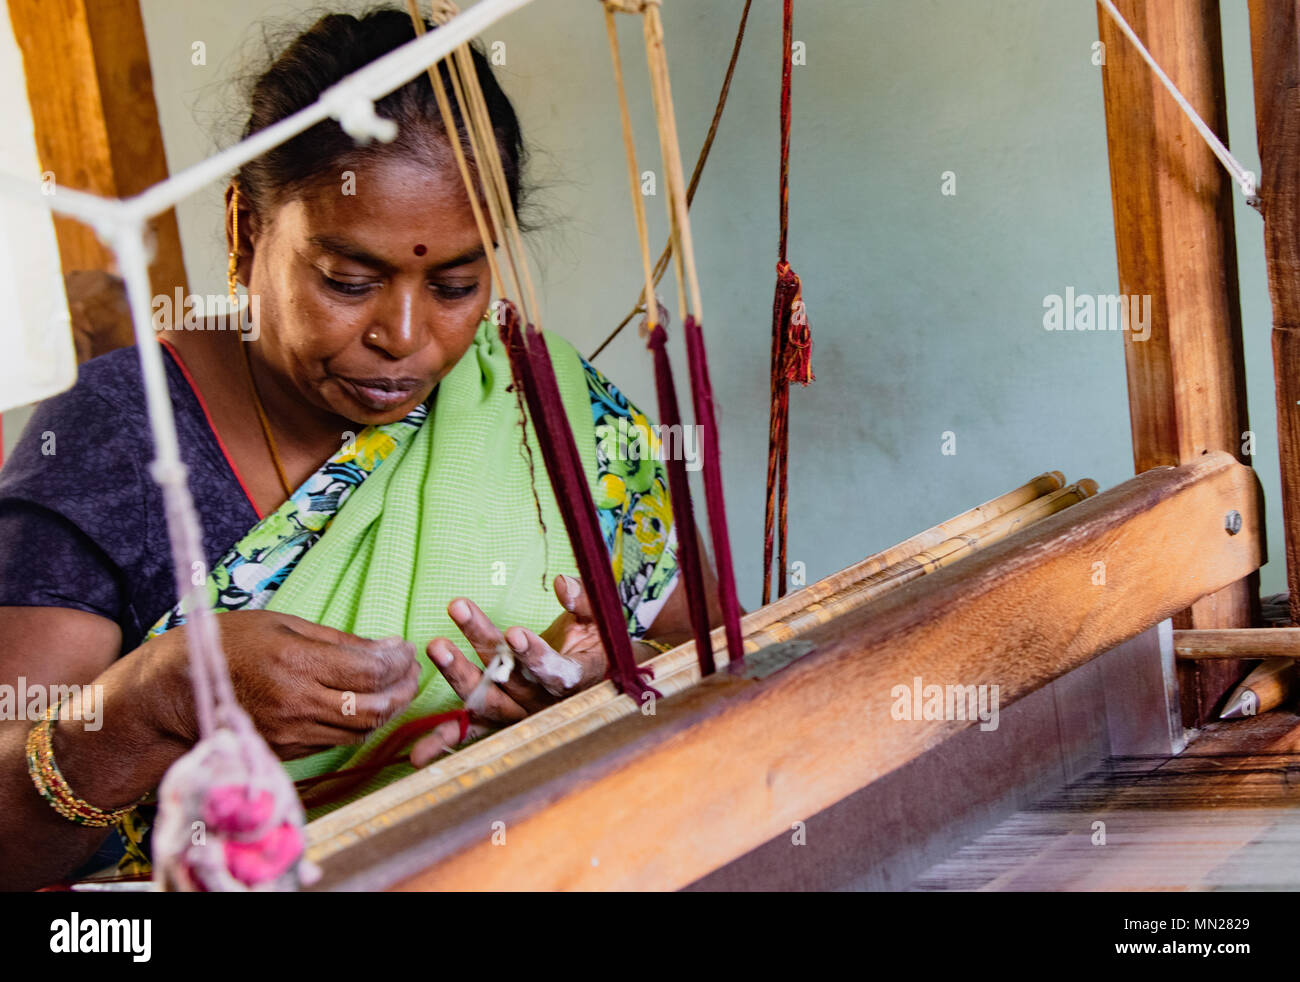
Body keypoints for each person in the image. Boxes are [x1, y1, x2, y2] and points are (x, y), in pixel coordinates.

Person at [0, 7, 721, 890]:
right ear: (244, 230)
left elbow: (726, 664)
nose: (406, 336)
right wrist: (156, 702)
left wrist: (613, 689)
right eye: (349, 280)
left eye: (457, 283)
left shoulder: (542, 404)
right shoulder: (115, 433)